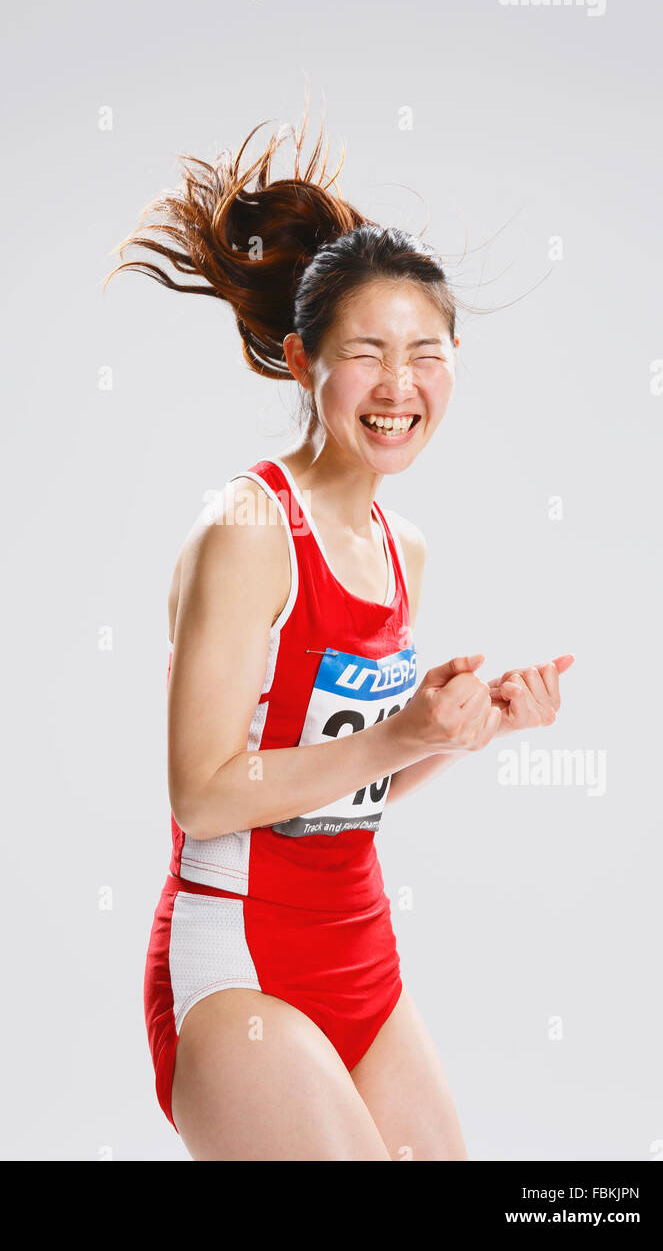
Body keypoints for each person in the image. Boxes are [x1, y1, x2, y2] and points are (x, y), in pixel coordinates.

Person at [105, 100, 574, 1160]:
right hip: (240, 965)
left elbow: (337, 787)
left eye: (426, 352)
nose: (399, 385)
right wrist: (399, 735)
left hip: (360, 959)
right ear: (299, 358)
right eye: (366, 351)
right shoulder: (246, 527)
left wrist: (461, 731)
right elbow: (206, 788)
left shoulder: (400, 546)